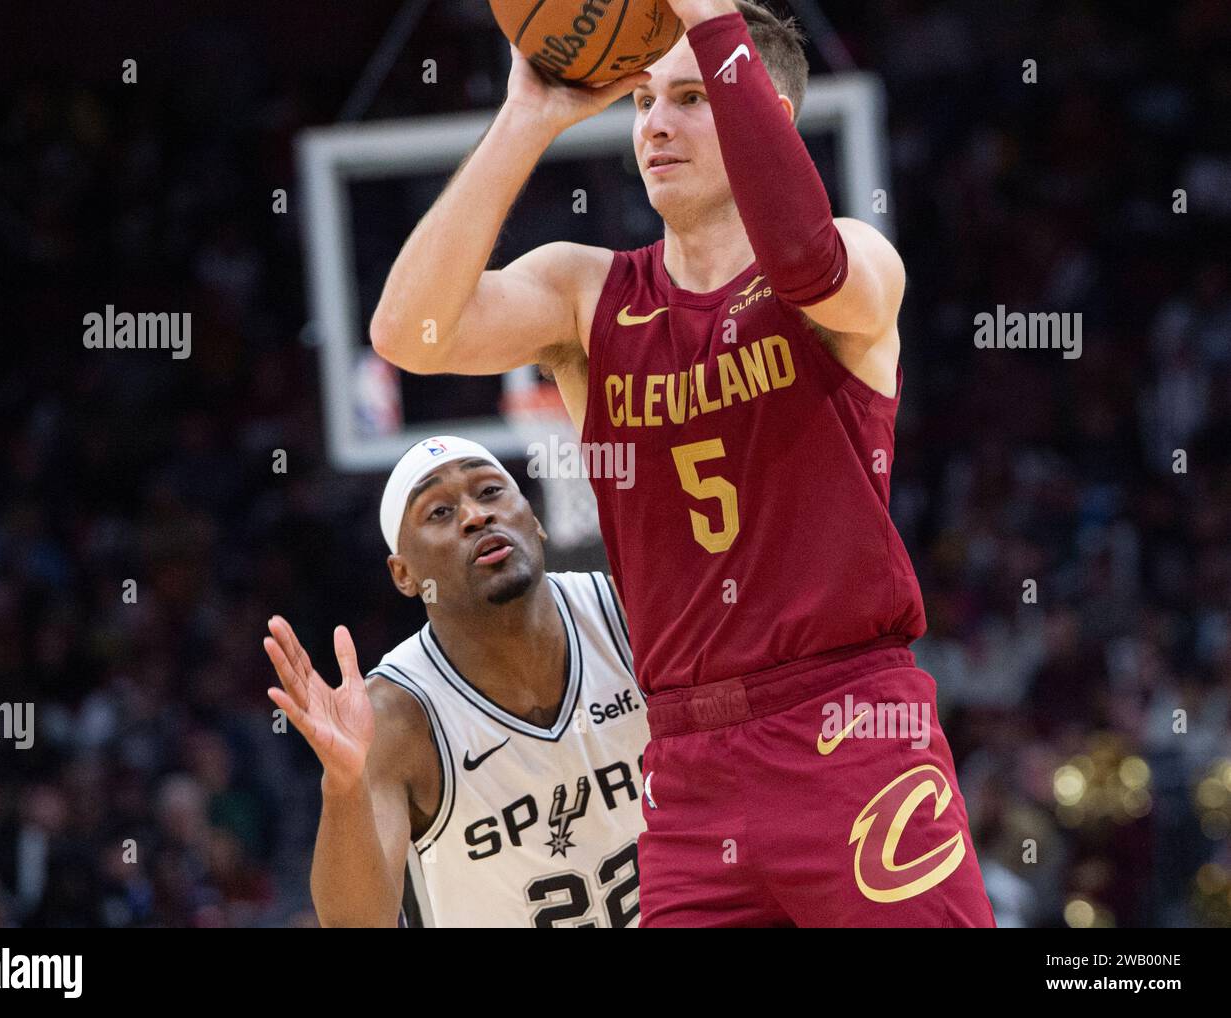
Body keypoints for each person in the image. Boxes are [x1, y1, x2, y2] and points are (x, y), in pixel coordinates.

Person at [368, 0, 997, 927]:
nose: (655, 125)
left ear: (765, 115)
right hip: (688, 764)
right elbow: (409, 334)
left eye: (693, 97)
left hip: (851, 721)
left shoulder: (854, 265)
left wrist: (708, 12)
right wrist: (526, 118)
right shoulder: (588, 295)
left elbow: (808, 263)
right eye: (642, 102)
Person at [263, 436, 647, 927]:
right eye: (439, 512)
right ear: (404, 575)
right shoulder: (397, 717)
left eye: (489, 492)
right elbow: (356, 925)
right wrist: (344, 785)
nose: (475, 516)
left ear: (534, 519)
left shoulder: (632, 617)